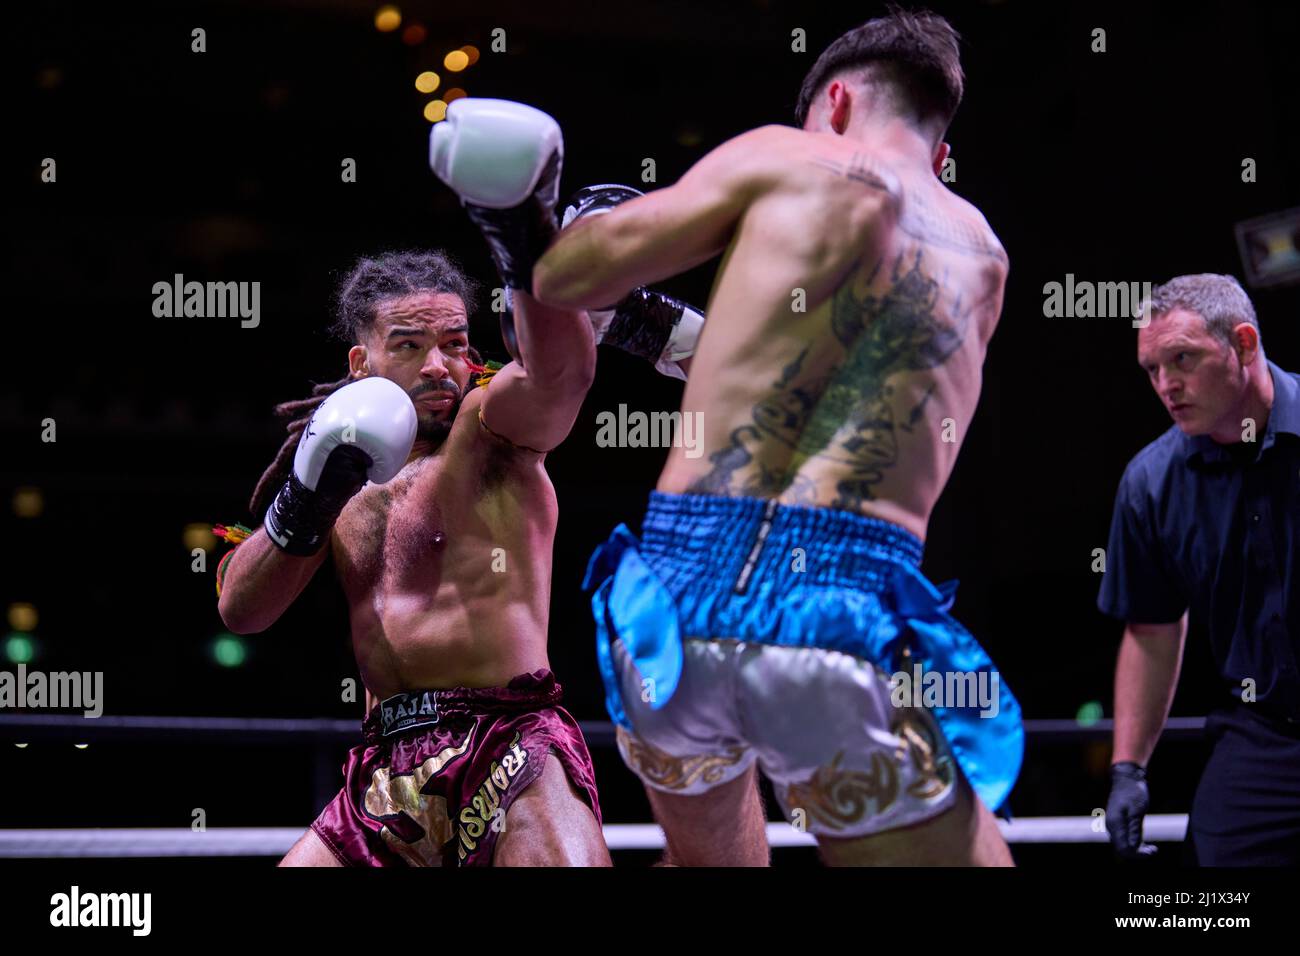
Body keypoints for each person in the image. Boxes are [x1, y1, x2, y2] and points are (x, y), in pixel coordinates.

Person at [533, 10, 1022, 866]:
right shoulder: (983, 253)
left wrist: (543, 217)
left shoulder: (783, 154)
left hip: (667, 618)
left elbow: (564, 277)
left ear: (833, 102)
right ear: (941, 150)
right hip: (831, 619)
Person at [214, 100, 618, 866]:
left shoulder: (491, 432)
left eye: (456, 343)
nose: (440, 365)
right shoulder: (329, 464)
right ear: (361, 364)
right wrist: (310, 495)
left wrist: (520, 237)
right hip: (382, 772)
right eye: (410, 345)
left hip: (509, 742)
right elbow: (241, 607)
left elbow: (561, 375)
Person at [1100, 273, 1300, 866]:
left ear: (1244, 344)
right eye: (1152, 369)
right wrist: (1128, 769)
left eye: (1182, 359)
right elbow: (1152, 631)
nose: (1166, 385)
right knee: (1204, 894)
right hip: (1266, 731)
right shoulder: (1151, 483)